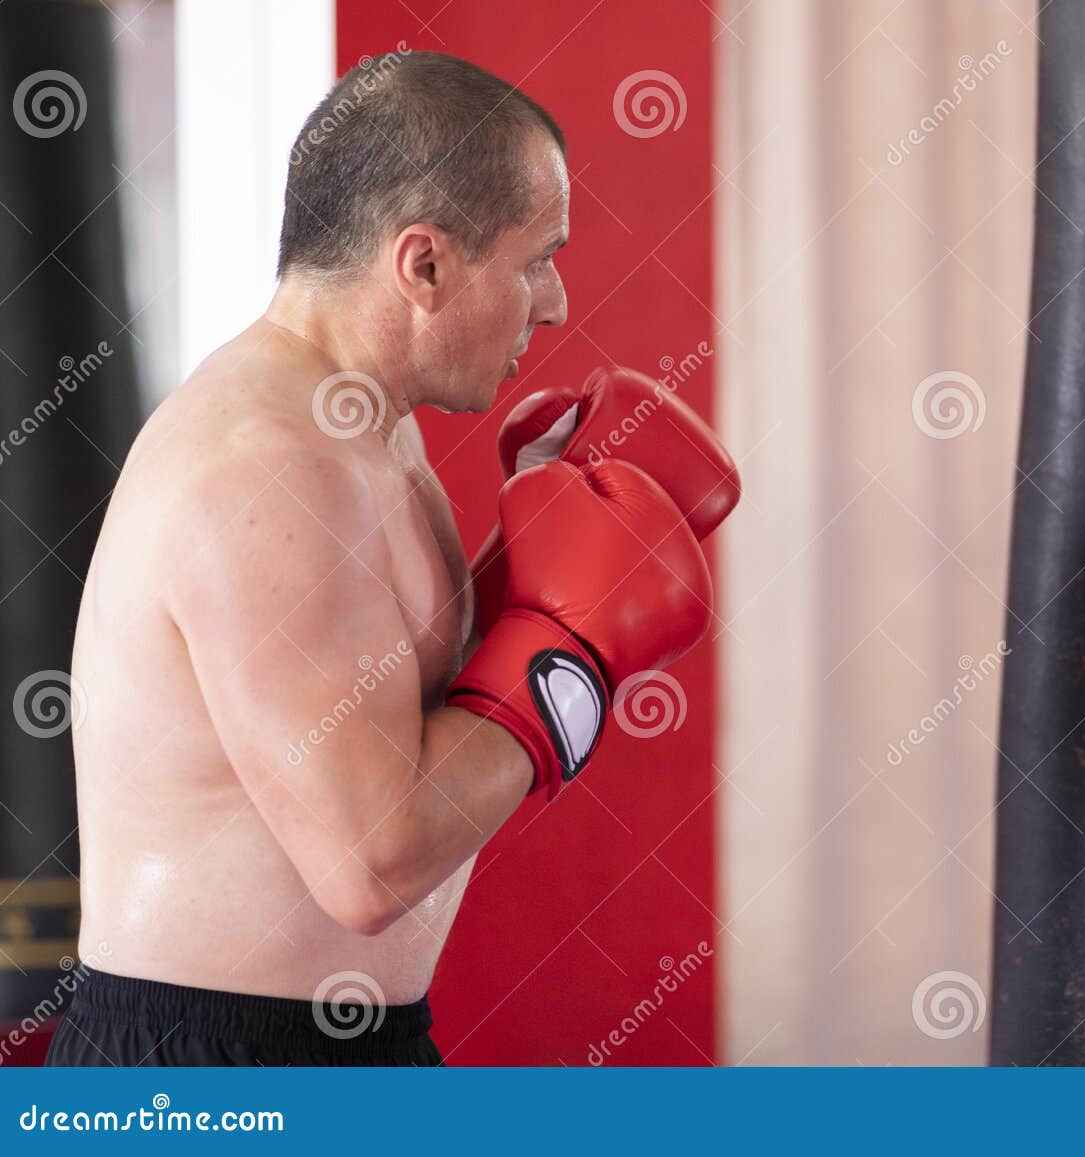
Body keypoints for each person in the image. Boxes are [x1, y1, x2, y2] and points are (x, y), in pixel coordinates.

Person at [46, 50, 737, 1067]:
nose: (551, 304)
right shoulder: (267, 469)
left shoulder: (366, 430)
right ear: (422, 264)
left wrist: (524, 586)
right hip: (207, 1066)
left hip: (352, 1044)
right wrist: (574, 654)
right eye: (534, 256)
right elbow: (373, 862)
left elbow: (393, 727)